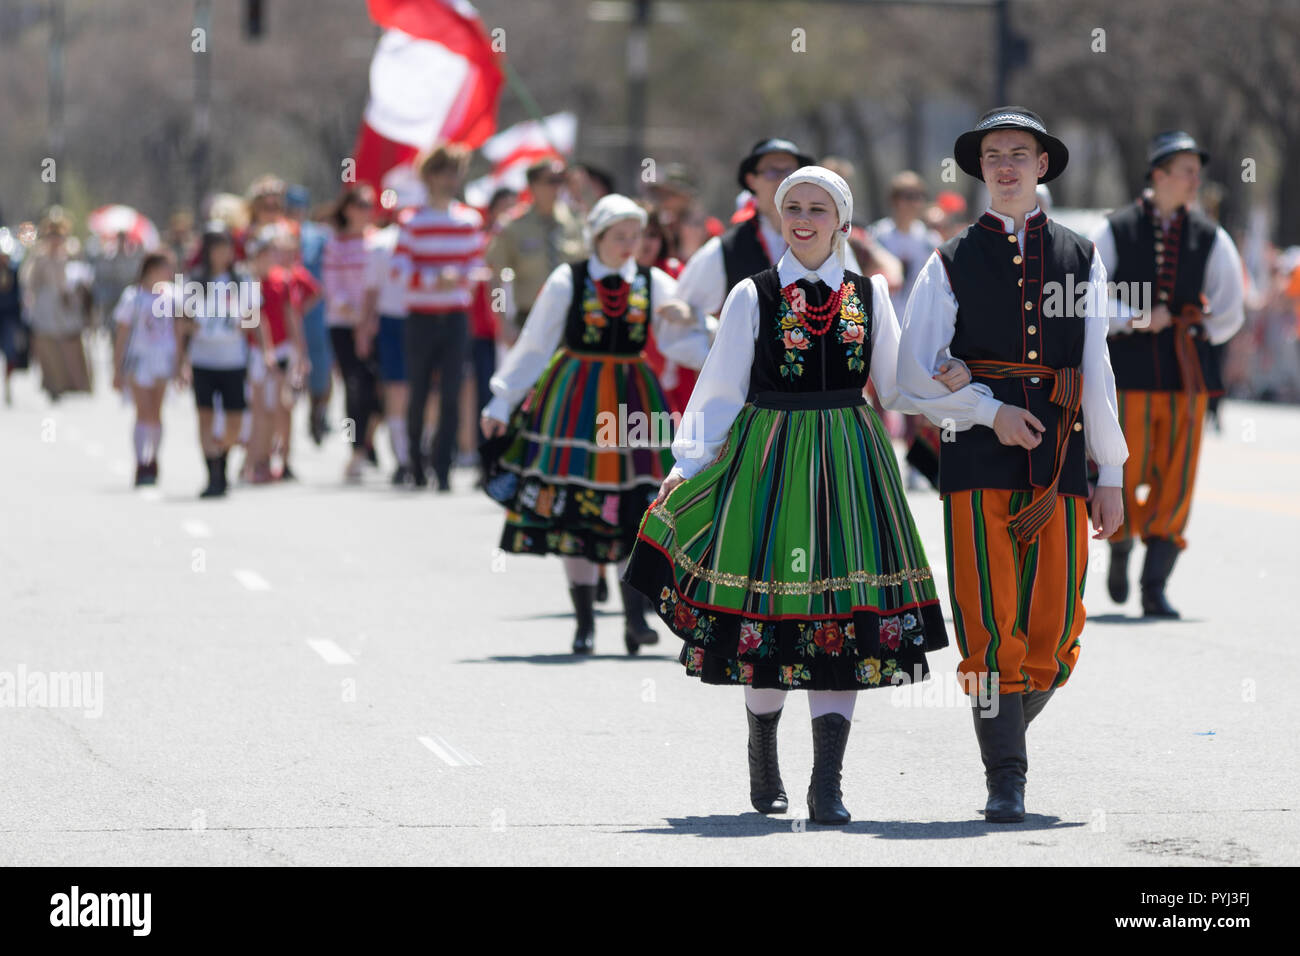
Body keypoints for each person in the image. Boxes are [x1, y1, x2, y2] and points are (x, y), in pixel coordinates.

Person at [624, 168, 960, 825]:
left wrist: (956, 383)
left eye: (819, 208)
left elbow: (894, 385)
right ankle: (763, 757)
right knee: (770, 619)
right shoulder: (755, 295)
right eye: (794, 207)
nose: (804, 218)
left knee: (840, 620)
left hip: (851, 464)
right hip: (769, 461)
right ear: (780, 218)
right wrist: (686, 465)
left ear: (842, 222)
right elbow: (718, 386)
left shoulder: (869, 292)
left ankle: (827, 785)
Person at [897, 107, 1129, 824]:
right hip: (974, 461)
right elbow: (911, 376)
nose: (1005, 165)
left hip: (1059, 458)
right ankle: (1006, 777)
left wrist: (1111, 471)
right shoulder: (950, 259)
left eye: (1019, 154)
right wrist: (986, 411)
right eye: (993, 154)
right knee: (989, 622)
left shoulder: (1081, 255)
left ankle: (1002, 740)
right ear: (979, 169)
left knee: (1055, 631)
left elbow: (1097, 367)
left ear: (1042, 166)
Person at [481, 195, 709, 656]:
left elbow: (678, 339)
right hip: (577, 400)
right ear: (598, 237)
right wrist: (502, 399)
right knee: (577, 507)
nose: (630, 245)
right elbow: (535, 342)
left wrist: (716, 336)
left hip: (632, 400)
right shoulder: (570, 278)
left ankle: (633, 620)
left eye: (636, 236)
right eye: (620, 236)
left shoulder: (654, 281)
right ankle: (585, 623)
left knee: (636, 505)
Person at [1090, 132, 1245, 618]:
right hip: (1127, 375)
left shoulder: (1209, 235)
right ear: (1158, 176)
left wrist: (1198, 330)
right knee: (1125, 467)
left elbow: (1230, 309)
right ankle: (1120, 546)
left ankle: (1154, 586)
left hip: (1184, 376)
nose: (1195, 181)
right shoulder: (1116, 228)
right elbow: (1087, 296)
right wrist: (1137, 317)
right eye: (1186, 171)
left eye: (1197, 172)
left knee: (1175, 477)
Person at [394, 146, 486, 491]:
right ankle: (415, 463)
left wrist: (460, 278)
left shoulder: (468, 220)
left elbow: (477, 268)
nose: (450, 179)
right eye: (444, 171)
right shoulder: (411, 220)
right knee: (417, 391)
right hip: (420, 317)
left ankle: (443, 465)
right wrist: (436, 279)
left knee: (451, 393)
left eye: (455, 172)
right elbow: (399, 270)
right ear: (430, 176)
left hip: (455, 318)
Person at [177, 226, 255, 498]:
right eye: (218, 248)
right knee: (206, 415)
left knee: (235, 418)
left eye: (227, 247)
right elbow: (182, 320)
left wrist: (240, 323)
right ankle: (212, 473)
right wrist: (182, 358)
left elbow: (253, 316)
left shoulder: (242, 280)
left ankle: (222, 457)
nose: (224, 254)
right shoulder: (195, 281)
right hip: (204, 359)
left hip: (233, 359)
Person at [485, 158, 585, 344]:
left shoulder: (576, 221)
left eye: (560, 180)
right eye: (550, 181)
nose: (557, 187)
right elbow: (496, 280)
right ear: (532, 185)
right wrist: (503, 324)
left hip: (572, 319)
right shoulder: (513, 227)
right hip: (530, 320)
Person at [323, 185, 381, 482]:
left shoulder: (379, 242)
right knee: (354, 385)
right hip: (344, 326)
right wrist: (359, 318)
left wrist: (370, 320)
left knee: (379, 387)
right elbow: (333, 292)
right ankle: (355, 447)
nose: (364, 211)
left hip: (375, 325)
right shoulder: (336, 244)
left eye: (369, 205)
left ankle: (370, 440)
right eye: (358, 204)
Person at [111, 252, 178, 486]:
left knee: (157, 413)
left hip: (163, 358)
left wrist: (180, 363)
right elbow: (122, 334)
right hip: (139, 358)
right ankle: (141, 461)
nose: (168, 273)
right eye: (164, 268)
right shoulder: (133, 297)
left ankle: (153, 459)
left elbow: (179, 332)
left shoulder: (172, 296)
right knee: (143, 411)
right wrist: (117, 368)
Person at [21, 212, 93, 400]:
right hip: (46, 306)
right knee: (48, 347)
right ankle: (53, 386)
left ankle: (75, 384)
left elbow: (83, 277)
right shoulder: (39, 256)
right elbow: (29, 281)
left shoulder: (72, 253)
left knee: (70, 345)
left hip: (67, 304)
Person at [0, 232, 29, 406]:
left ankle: (8, 385)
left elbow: (19, 297)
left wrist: (20, 321)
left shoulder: (14, 273)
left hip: (9, 318)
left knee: (10, 353)